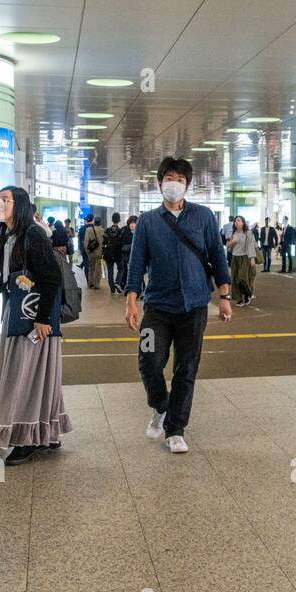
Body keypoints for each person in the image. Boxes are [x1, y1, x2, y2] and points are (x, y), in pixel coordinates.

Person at [124, 156, 231, 455]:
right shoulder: (147, 221)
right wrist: (131, 302)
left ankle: (175, 429)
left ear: (187, 185)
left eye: (180, 180)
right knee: (148, 362)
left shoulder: (204, 217)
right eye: (169, 179)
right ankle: (161, 406)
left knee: (186, 369)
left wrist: (224, 297)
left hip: (195, 306)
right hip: (156, 307)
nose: (174, 185)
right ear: (159, 184)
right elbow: (136, 265)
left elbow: (217, 257)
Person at [0, 186, 71, 465]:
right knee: (35, 378)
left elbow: (51, 278)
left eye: (6, 200)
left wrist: (42, 320)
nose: (0, 204)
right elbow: (9, 279)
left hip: (33, 320)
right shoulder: (8, 236)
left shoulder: (33, 234)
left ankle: (26, 438)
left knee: (25, 378)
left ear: (21, 205)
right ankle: (46, 433)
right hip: (17, 316)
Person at [227, 215, 258, 307]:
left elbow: (250, 246)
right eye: (236, 221)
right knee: (235, 279)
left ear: (243, 222)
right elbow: (228, 246)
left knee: (242, 277)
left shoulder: (248, 233)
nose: (237, 222)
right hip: (235, 257)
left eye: (239, 220)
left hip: (245, 257)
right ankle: (239, 299)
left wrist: (252, 258)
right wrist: (232, 242)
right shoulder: (233, 233)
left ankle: (248, 294)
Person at [102, 212, 124, 294]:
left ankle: (112, 289)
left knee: (110, 271)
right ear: (119, 220)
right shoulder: (121, 231)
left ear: (112, 220)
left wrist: (103, 252)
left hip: (108, 253)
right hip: (118, 253)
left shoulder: (107, 230)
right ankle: (117, 283)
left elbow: (103, 242)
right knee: (121, 269)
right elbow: (122, 243)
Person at [80, 213, 104, 289]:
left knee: (91, 267)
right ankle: (97, 284)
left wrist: (87, 251)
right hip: (99, 252)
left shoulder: (89, 230)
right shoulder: (102, 230)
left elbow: (86, 241)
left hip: (91, 252)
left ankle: (91, 282)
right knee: (98, 269)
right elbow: (104, 242)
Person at [118, 214, 138, 291]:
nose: (132, 225)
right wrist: (131, 246)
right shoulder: (124, 230)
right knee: (125, 271)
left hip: (135, 256)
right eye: (131, 223)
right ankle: (124, 285)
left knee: (135, 272)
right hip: (124, 255)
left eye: (134, 223)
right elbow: (121, 243)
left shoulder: (139, 231)